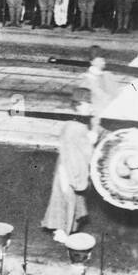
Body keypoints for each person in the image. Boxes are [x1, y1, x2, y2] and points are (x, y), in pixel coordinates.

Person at [42, 87, 94, 242]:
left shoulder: (77, 125)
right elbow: (72, 156)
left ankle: (64, 231)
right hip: (70, 172)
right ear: (78, 105)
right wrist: (76, 179)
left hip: (69, 170)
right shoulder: (74, 127)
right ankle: (62, 233)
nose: (91, 107)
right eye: (87, 104)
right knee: (66, 200)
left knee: (68, 201)